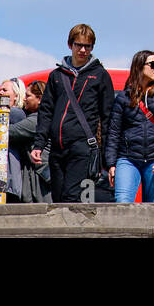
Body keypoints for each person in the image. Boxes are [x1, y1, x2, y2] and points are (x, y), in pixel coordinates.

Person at [29, 24, 114, 203]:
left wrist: (108, 159)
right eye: (78, 45)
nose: (83, 50)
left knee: (73, 197)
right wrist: (39, 144)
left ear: (92, 47)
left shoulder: (100, 75)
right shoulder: (56, 76)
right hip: (57, 148)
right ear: (70, 45)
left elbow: (108, 118)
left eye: (87, 46)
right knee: (58, 198)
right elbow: (46, 112)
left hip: (83, 148)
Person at [104, 49, 154, 203]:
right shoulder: (123, 98)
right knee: (123, 202)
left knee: (152, 207)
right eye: (152, 64)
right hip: (127, 159)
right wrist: (111, 164)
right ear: (139, 66)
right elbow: (114, 132)